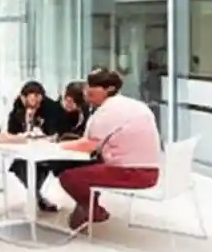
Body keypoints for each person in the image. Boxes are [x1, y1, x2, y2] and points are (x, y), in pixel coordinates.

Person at [58, 69, 161, 232]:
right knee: (89, 167)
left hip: (133, 172)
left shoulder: (109, 110)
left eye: (93, 86)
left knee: (69, 177)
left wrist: (57, 147)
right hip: (149, 168)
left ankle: (93, 210)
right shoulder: (133, 105)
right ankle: (90, 207)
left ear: (109, 89)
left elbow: (89, 145)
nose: (87, 89)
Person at [0, 81, 70, 213]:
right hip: (26, 149)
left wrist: (38, 124)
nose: (35, 104)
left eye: (38, 100)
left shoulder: (51, 108)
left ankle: (36, 196)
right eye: (31, 100)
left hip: (49, 149)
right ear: (23, 98)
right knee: (20, 165)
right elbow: (12, 132)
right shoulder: (18, 109)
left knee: (40, 165)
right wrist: (27, 120)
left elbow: (54, 131)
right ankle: (37, 195)